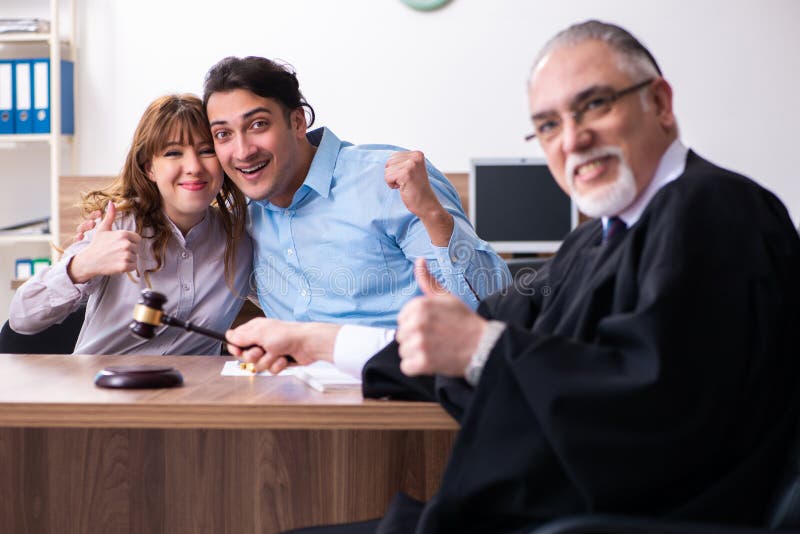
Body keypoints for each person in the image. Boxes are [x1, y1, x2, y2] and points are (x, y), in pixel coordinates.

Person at [227, 20, 800, 533]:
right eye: (549, 124)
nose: (572, 139)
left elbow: (657, 410)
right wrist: (315, 340)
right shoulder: (590, 243)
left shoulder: (715, 210)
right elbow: (482, 331)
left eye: (595, 105)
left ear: (661, 103)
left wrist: (482, 346)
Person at [202, 57, 510, 336]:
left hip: (402, 384)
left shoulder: (386, 181)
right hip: (295, 389)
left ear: (297, 122)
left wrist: (432, 215)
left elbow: (492, 308)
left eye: (258, 125)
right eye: (223, 134)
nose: (242, 151)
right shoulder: (240, 216)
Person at [10, 94, 253, 355]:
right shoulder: (116, 225)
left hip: (193, 392)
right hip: (101, 389)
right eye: (173, 153)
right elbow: (22, 318)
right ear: (150, 168)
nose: (193, 166)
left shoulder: (242, 237)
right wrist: (83, 265)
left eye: (206, 151)